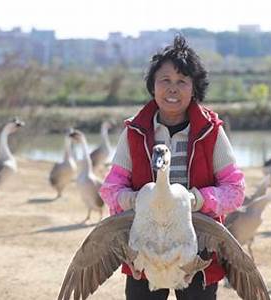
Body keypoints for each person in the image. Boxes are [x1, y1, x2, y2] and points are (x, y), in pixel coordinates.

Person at [99, 35, 245, 300]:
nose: (173, 89)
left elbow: (235, 191)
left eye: (182, 82)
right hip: (145, 249)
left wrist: (194, 200)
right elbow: (110, 189)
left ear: (194, 88)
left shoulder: (212, 133)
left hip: (197, 252)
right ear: (153, 86)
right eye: (165, 80)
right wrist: (134, 199)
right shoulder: (134, 132)